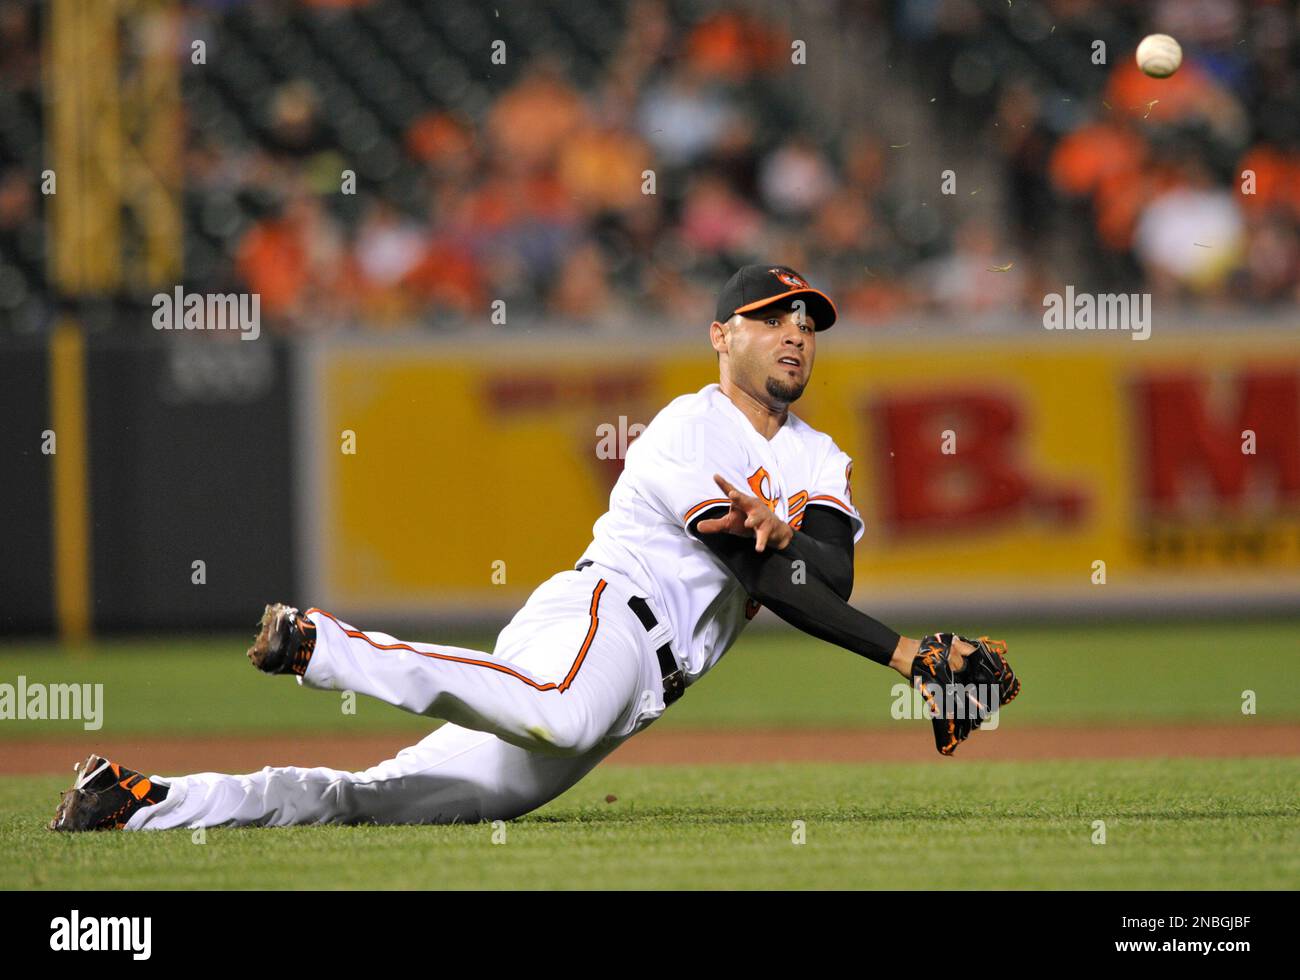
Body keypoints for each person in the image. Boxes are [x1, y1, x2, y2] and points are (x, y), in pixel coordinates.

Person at [49, 264, 1016, 833]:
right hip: (603, 623)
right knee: (553, 715)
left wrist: (804, 548)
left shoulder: (822, 457)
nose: (797, 334)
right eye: (773, 319)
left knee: (376, 801)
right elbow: (773, 576)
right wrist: (905, 654)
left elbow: (827, 575)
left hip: (636, 693)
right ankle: (320, 645)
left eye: (809, 322)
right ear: (722, 335)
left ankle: (141, 801)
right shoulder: (688, 429)